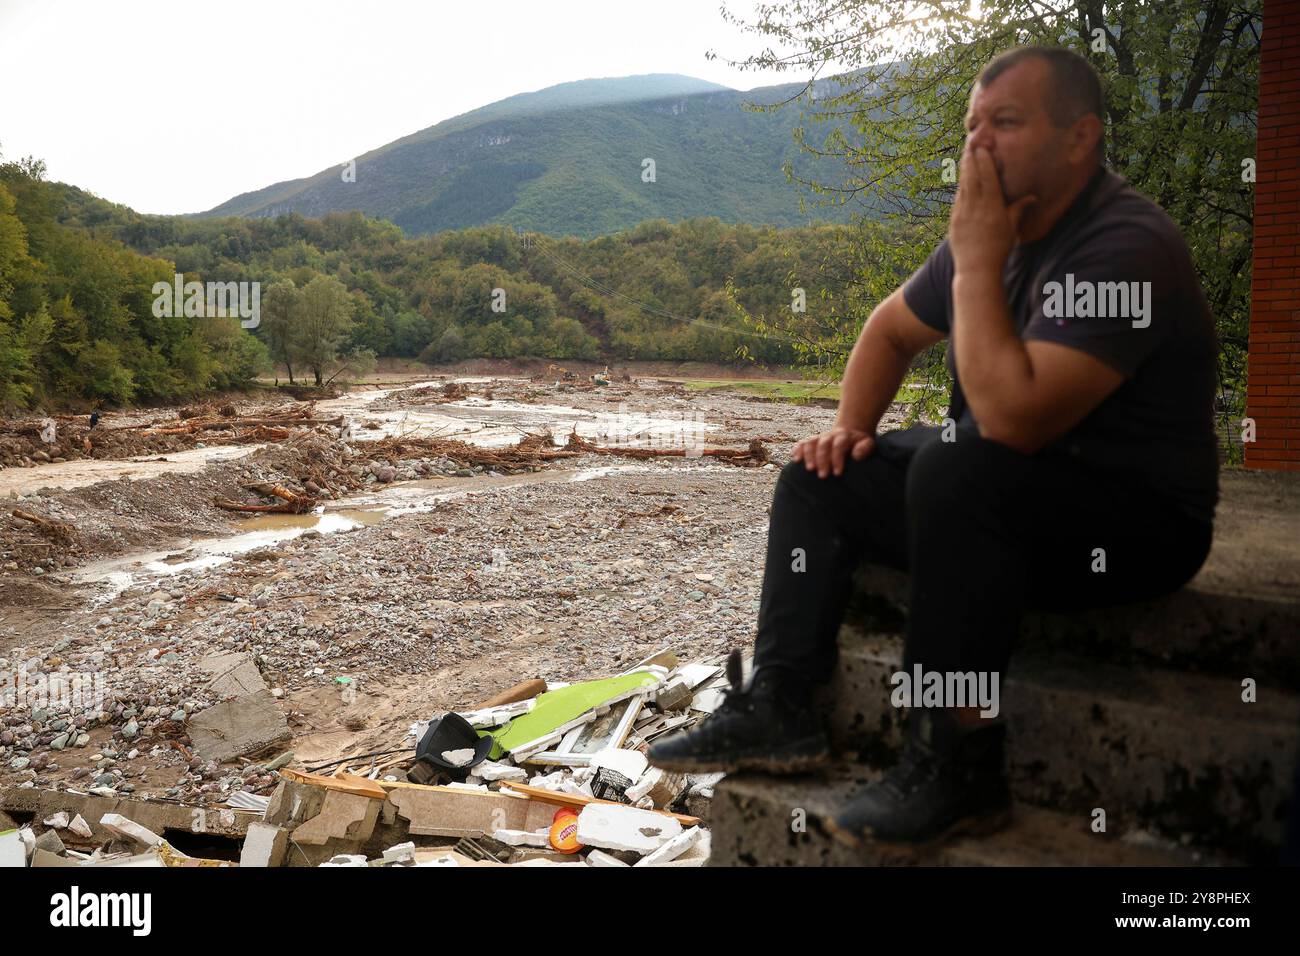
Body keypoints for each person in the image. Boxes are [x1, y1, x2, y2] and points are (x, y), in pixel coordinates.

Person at [647, 45, 1219, 846]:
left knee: (963, 460)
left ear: (1080, 138)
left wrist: (980, 260)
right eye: (972, 126)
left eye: (1007, 124)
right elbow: (888, 333)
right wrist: (851, 431)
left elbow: (1014, 418)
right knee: (818, 476)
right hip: (1003, 493)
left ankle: (957, 760)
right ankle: (782, 705)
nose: (978, 145)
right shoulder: (990, 232)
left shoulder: (1125, 246)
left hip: (1133, 522)